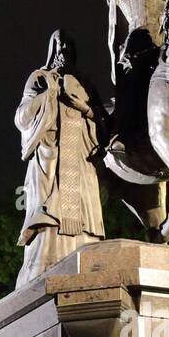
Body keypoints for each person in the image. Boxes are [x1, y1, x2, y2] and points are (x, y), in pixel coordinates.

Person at [15, 30, 107, 287]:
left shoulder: (86, 84)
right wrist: (50, 95)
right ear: (52, 49)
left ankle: (88, 269)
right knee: (51, 218)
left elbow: (106, 125)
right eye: (59, 44)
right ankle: (42, 268)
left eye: (69, 45)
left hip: (80, 160)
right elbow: (21, 117)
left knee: (85, 220)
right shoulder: (40, 78)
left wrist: (84, 108)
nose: (64, 49)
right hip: (50, 158)